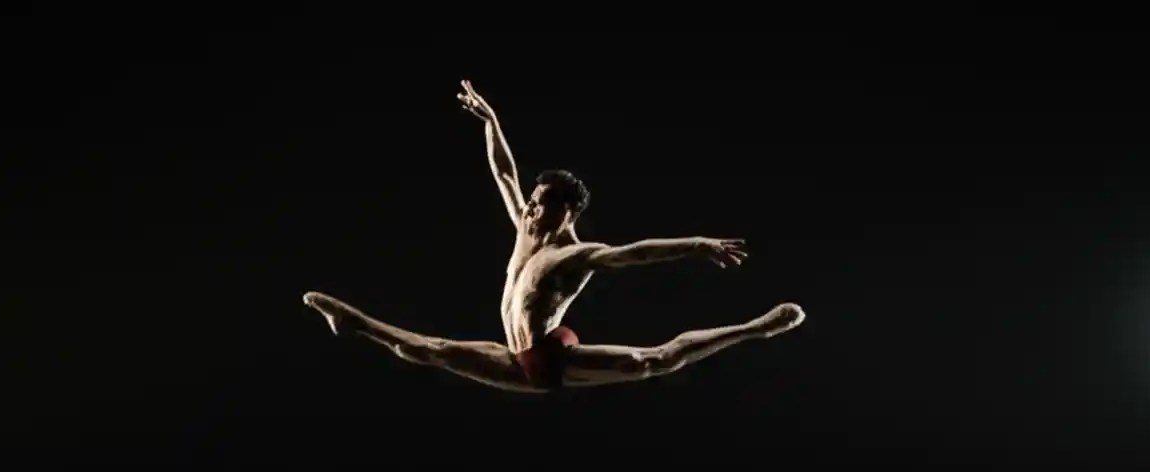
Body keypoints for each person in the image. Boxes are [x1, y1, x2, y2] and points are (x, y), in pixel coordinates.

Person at [303, 80, 804, 393]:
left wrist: (696, 245)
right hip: (512, 352)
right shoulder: (526, 228)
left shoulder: (576, 254)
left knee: (655, 360)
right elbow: (503, 174)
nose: (529, 207)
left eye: (540, 203)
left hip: (547, 360)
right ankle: (350, 322)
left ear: (565, 211)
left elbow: (637, 254)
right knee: (431, 349)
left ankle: (757, 327)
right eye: (533, 200)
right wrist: (492, 122)